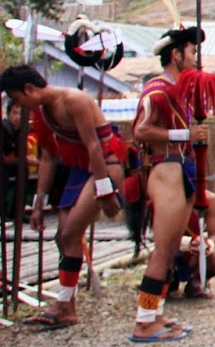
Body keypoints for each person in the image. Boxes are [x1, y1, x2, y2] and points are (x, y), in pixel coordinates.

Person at [0, 67, 128, 330]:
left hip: (103, 164)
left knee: (70, 234)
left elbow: (93, 145)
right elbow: (47, 158)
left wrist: (105, 190)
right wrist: (38, 203)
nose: (18, 105)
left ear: (29, 90)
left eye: (17, 98)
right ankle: (66, 306)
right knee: (62, 237)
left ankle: (62, 304)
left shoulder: (74, 100)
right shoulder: (42, 111)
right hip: (80, 169)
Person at [127, 25, 215, 342]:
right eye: (192, 52)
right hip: (165, 168)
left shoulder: (179, 90)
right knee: (163, 249)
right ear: (176, 54)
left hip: (181, 167)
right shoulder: (157, 90)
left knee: (168, 251)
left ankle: (155, 312)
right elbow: (140, 131)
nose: (196, 58)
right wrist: (184, 135)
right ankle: (143, 321)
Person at [169, 188, 215, 299]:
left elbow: (214, 236)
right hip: (171, 252)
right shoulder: (166, 198)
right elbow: (162, 238)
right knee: (157, 258)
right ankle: (150, 308)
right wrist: (187, 244)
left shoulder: (209, 199)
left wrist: (207, 245)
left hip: (195, 253)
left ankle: (196, 283)